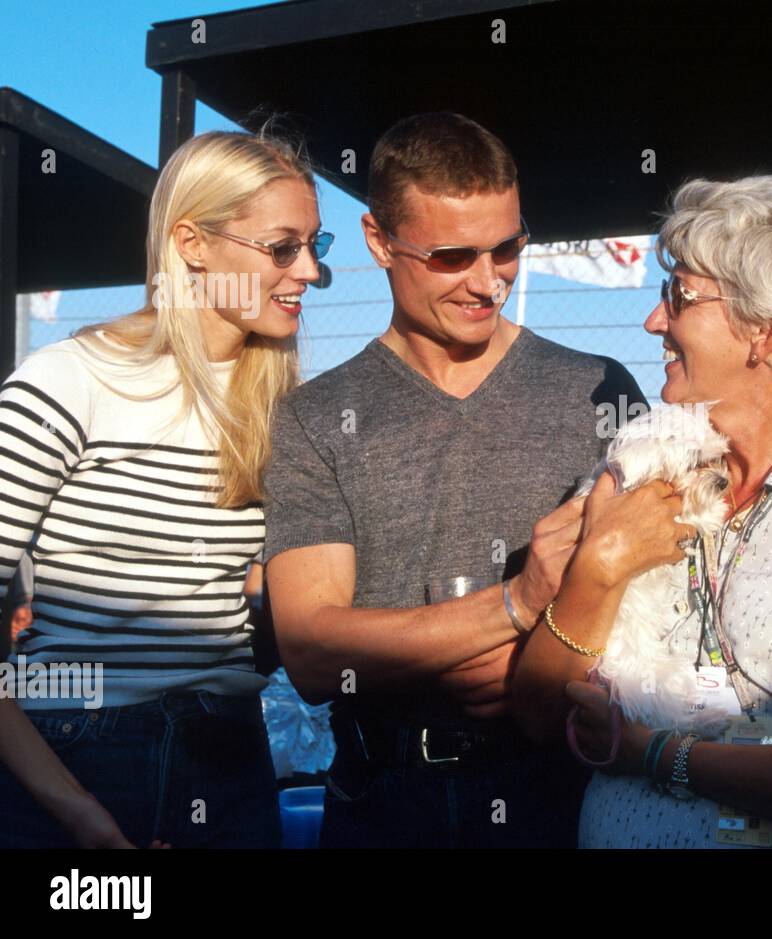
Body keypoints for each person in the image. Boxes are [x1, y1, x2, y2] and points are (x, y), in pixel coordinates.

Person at [263, 112, 646, 848]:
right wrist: (517, 604)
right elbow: (310, 650)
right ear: (378, 241)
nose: (486, 280)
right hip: (383, 805)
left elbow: (662, 599)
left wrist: (544, 667)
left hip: (561, 798)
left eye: (507, 247)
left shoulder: (601, 391)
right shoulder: (315, 417)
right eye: (451, 255)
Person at [512, 175, 772, 848]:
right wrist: (600, 568)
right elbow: (536, 714)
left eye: (680, 296)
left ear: (765, 331)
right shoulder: (641, 467)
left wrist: (651, 753)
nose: (654, 320)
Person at [0, 128, 326, 847]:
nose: (309, 270)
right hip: (81, 752)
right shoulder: (72, 379)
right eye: (282, 246)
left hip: (232, 756)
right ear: (191, 243)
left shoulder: (285, 410)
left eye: (315, 245)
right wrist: (77, 807)